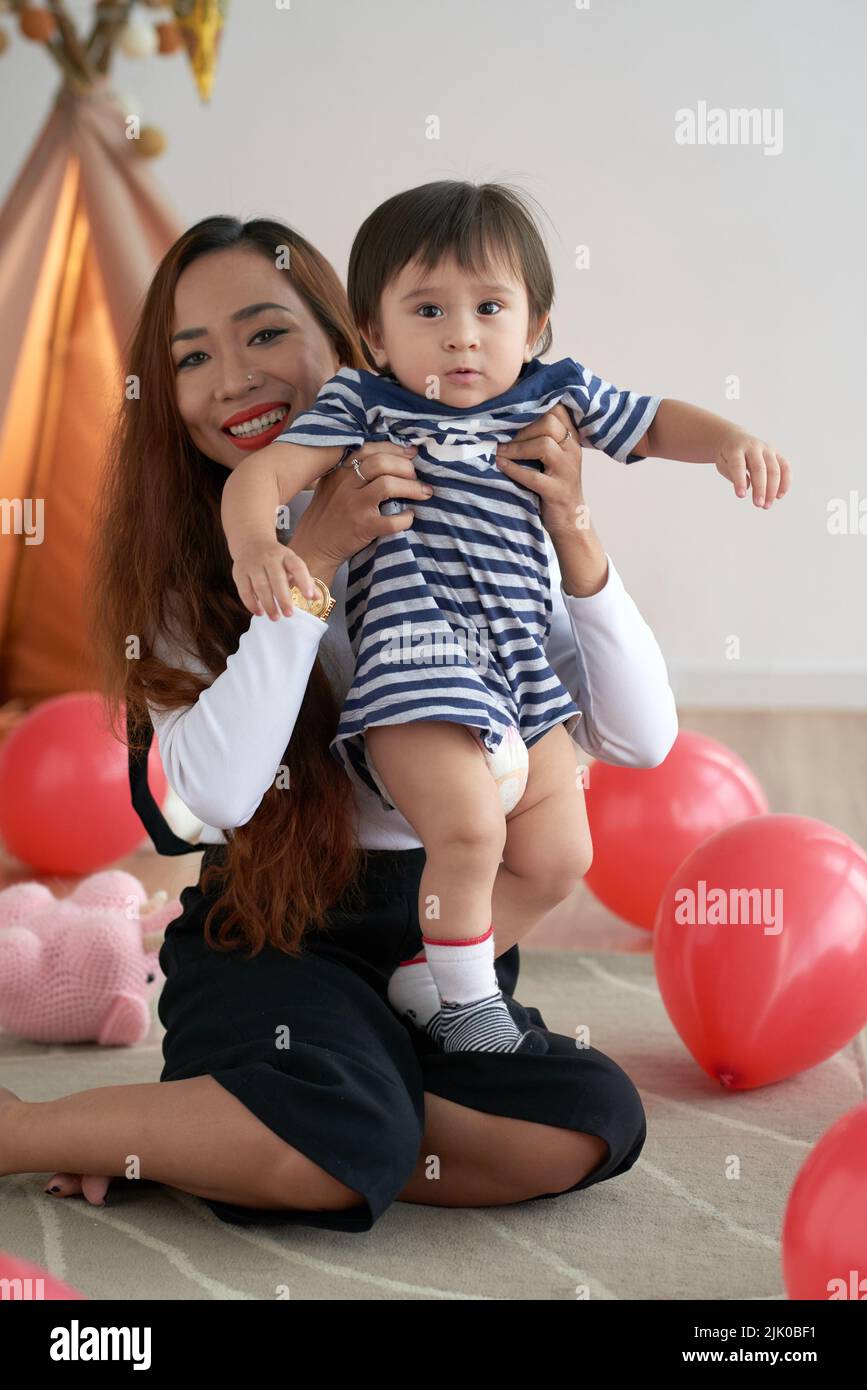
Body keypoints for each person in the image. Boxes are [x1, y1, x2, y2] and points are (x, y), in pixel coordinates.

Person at [4, 213, 677, 1232]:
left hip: (434, 942)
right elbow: (216, 797)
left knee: (591, 1117)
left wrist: (574, 531)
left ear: (353, 344)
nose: (233, 379)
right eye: (193, 358)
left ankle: (235, 1135)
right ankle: (35, 1128)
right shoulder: (188, 572)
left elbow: (642, 739)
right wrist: (307, 565)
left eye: (266, 333)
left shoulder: (474, 506)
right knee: (348, 1117)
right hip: (271, 939)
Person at [219, 180, 791, 1057]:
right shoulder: (362, 405)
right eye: (427, 310)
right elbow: (259, 477)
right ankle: (465, 1007)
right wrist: (257, 543)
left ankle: (430, 974)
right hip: (413, 669)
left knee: (562, 856)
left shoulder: (551, 396)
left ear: (534, 327)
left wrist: (727, 443)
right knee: (470, 829)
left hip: (522, 674)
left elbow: (655, 419)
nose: (461, 333)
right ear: (373, 334)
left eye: (489, 307)